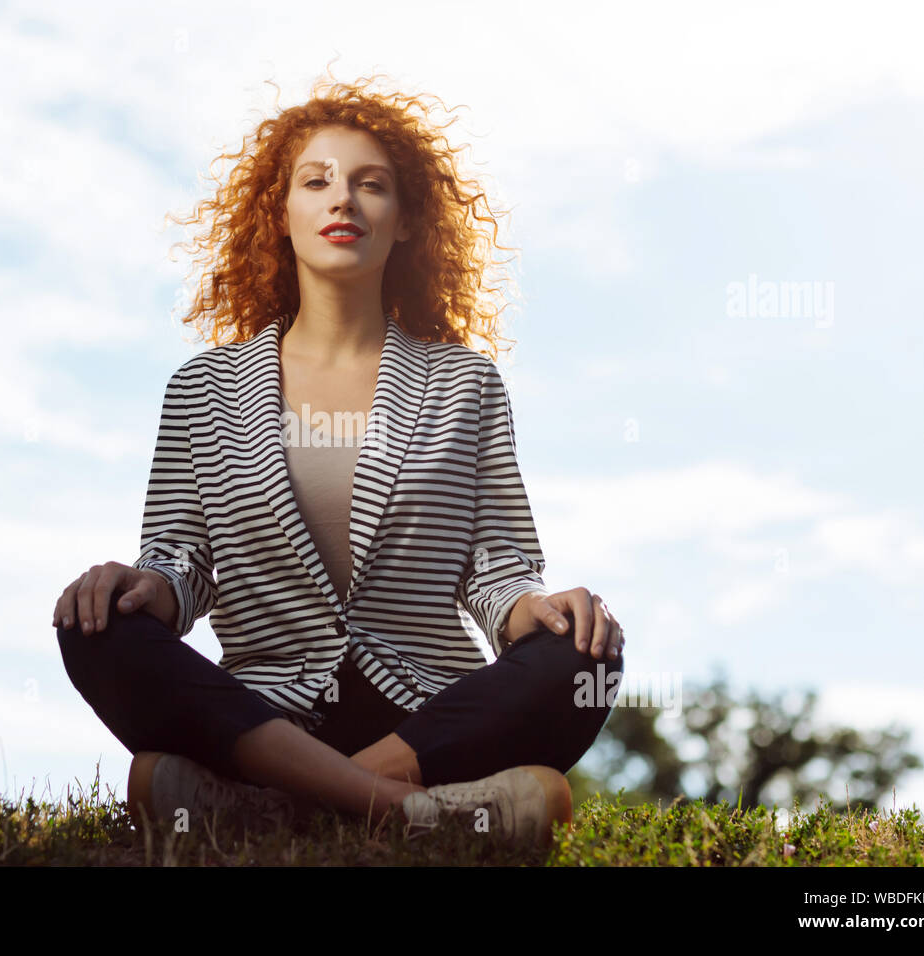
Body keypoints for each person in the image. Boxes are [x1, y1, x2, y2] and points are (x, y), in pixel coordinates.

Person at [54, 73, 625, 848]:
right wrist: (140, 587)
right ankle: (405, 811)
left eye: (371, 185)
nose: (343, 200)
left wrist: (547, 612)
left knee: (584, 656)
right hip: (263, 712)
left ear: (406, 222)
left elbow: (496, 570)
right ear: (280, 214)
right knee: (94, 628)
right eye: (316, 181)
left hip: (427, 715)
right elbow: (182, 562)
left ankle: (269, 804)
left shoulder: (466, 383)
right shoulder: (202, 388)